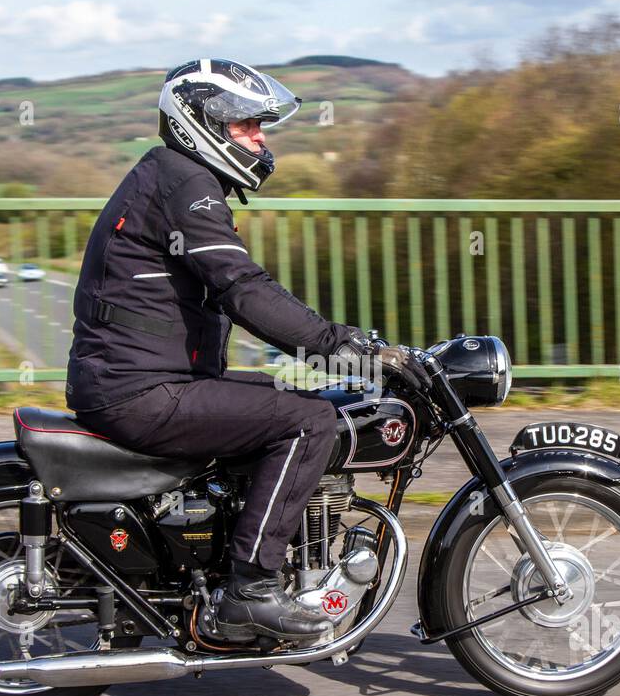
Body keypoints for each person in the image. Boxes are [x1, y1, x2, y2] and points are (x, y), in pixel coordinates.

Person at [65, 58, 423, 642]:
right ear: (200, 123)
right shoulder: (187, 184)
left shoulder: (170, 175)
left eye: (261, 127)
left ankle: (222, 557)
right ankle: (249, 589)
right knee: (309, 420)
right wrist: (343, 345)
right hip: (141, 391)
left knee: (293, 397)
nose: (260, 140)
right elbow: (243, 289)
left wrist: (329, 355)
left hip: (140, 381)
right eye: (246, 127)